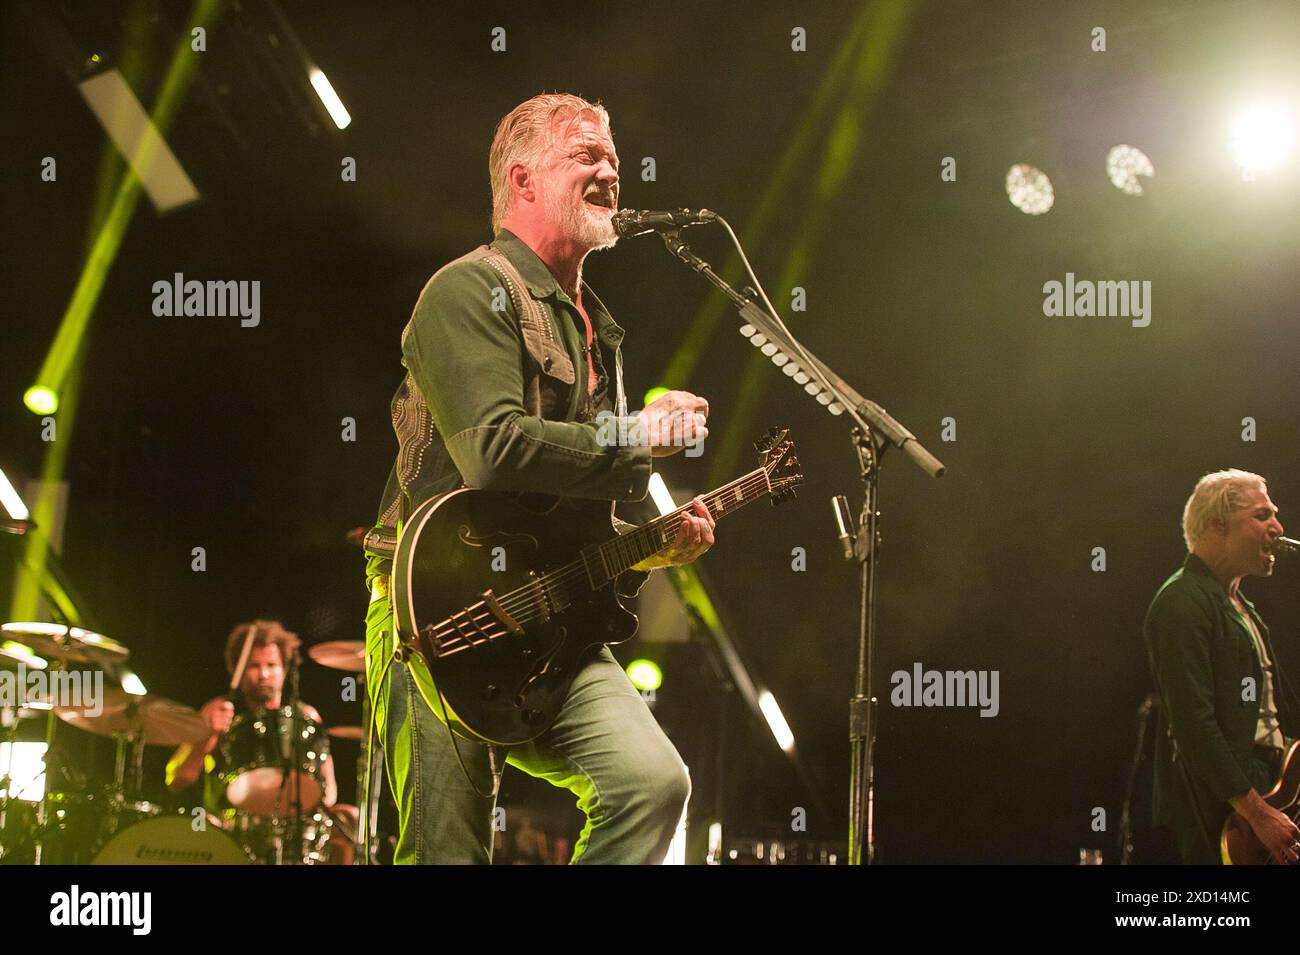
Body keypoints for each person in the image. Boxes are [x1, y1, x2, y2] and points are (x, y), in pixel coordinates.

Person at [364, 92, 716, 864]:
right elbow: (494, 447)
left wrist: (654, 545)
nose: (610, 169)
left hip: (548, 618)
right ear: (521, 181)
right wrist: (637, 435)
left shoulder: (598, 328)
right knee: (446, 854)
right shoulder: (467, 289)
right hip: (438, 611)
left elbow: (562, 511)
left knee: (653, 783)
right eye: (585, 154)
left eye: (613, 158)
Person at [1144, 469, 1299, 864]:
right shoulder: (1181, 601)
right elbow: (1194, 725)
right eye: (1262, 516)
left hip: (1262, 788)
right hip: (1219, 805)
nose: (1278, 528)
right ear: (1219, 525)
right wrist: (1258, 813)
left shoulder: (1241, 607)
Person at [166, 619, 352, 863]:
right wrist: (208, 733)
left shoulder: (305, 717)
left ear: (284, 669)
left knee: (350, 818)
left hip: (296, 831)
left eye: (272, 665)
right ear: (238, 670)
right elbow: (176, 780)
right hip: (229, 829)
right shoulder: (220, 713)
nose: (263, 674)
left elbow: (329, 789)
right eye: (254, 666)